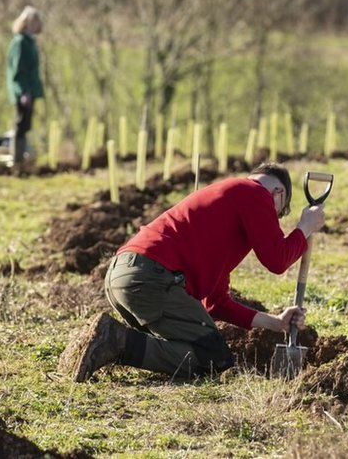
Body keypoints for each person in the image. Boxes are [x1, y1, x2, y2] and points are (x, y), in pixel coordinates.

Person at [57, 163, 326, 382]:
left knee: (195, 348)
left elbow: (216, 303)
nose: (273, 219)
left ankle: (114, 342)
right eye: (279, 214)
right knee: (212, 356)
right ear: (278, 193)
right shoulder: (255, 193)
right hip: (153, 278)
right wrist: (305, 227)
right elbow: (277, 260)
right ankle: (117, 342)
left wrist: (276, 322)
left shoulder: (227, 203)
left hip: (124, 276)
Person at [6, 6, 44, 165]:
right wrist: (23, 92)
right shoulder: (20, 42)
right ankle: (17, 160)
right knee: (21, 124)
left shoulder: (30, 42)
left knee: (26, 124)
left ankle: (20, 158)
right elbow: (18, 71)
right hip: (23, 91)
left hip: (30, 90)